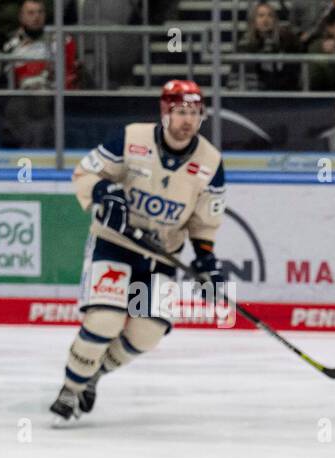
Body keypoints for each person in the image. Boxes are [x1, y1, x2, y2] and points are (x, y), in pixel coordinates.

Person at [50, 80, 226, 425]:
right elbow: (86, 171)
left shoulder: (210, 161)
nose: (187, 121)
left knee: (148, 331)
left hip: (160, 256)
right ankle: (70, 390)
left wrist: (206, 259)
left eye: (193, 113)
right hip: (115, 244)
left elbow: (205, 221)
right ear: (165, 113)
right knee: (105, 319)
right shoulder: (132, 138)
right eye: (179, 113)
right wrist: (104, 191)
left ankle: (93, 377)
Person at [1, 0, 80, 90]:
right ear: (21, 17)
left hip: (60, 95)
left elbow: (71, 73)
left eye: (40, 12)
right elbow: (11, 81)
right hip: (27, 98)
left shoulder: (62, 40)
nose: (37, 17)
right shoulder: (11, 46)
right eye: (31, 13)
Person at [239, 1, 302, 92]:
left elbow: (292, 73)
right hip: (255, 94)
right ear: (254, 21)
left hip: (285, 93)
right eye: (261, 16)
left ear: (275, 20)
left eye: (270, 15)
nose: (265, 19)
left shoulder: (287, 41)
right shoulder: (245, 44)